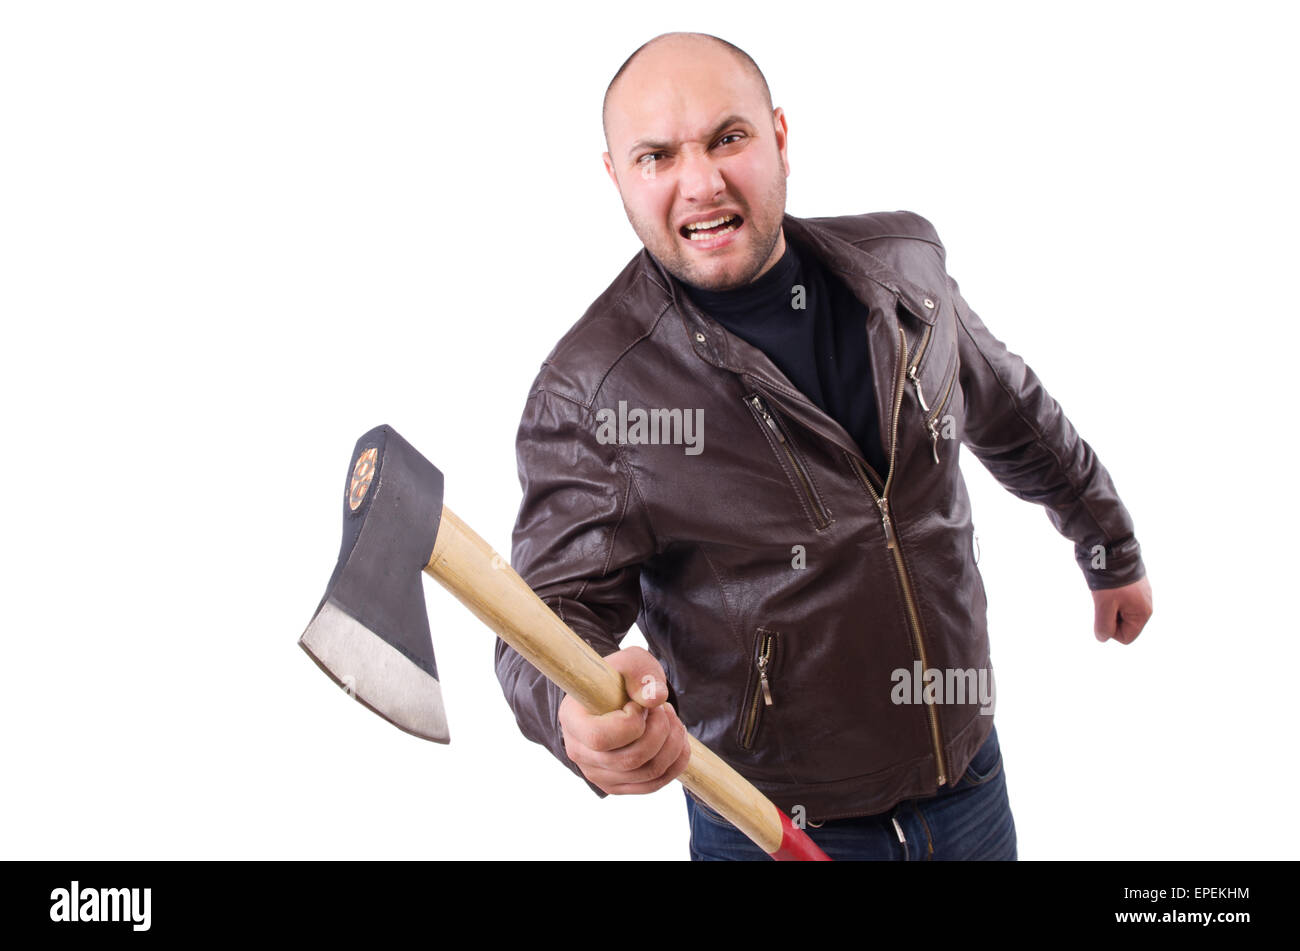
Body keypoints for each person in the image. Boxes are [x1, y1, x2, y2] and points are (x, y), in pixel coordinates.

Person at [495, 31, 1153, 860]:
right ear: (617, 177)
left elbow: (1012, 410)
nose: (701, 182)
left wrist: (1108, 543)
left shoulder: (905, 269)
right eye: (656, 156)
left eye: (728, 138)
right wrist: (573, 713)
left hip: (970, 786)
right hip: (770, 826)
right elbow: (547, 615)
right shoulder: (592, 389)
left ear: (778, 136)